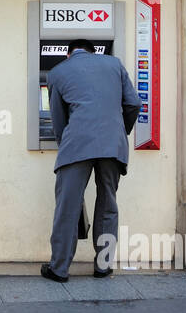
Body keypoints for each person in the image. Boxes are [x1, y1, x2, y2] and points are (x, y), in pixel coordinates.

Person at [41, 39, 140, 281]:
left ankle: (59, 268)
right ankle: (103, 266)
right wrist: (118, 130)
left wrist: (68, 141)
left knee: (68, 206)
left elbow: (58, 119)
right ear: (94, 52)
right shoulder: (114, 64)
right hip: (112, 144)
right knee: (108, 204)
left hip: (77, 143)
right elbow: (134, 103)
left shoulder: (56, 73)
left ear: (68, 55)